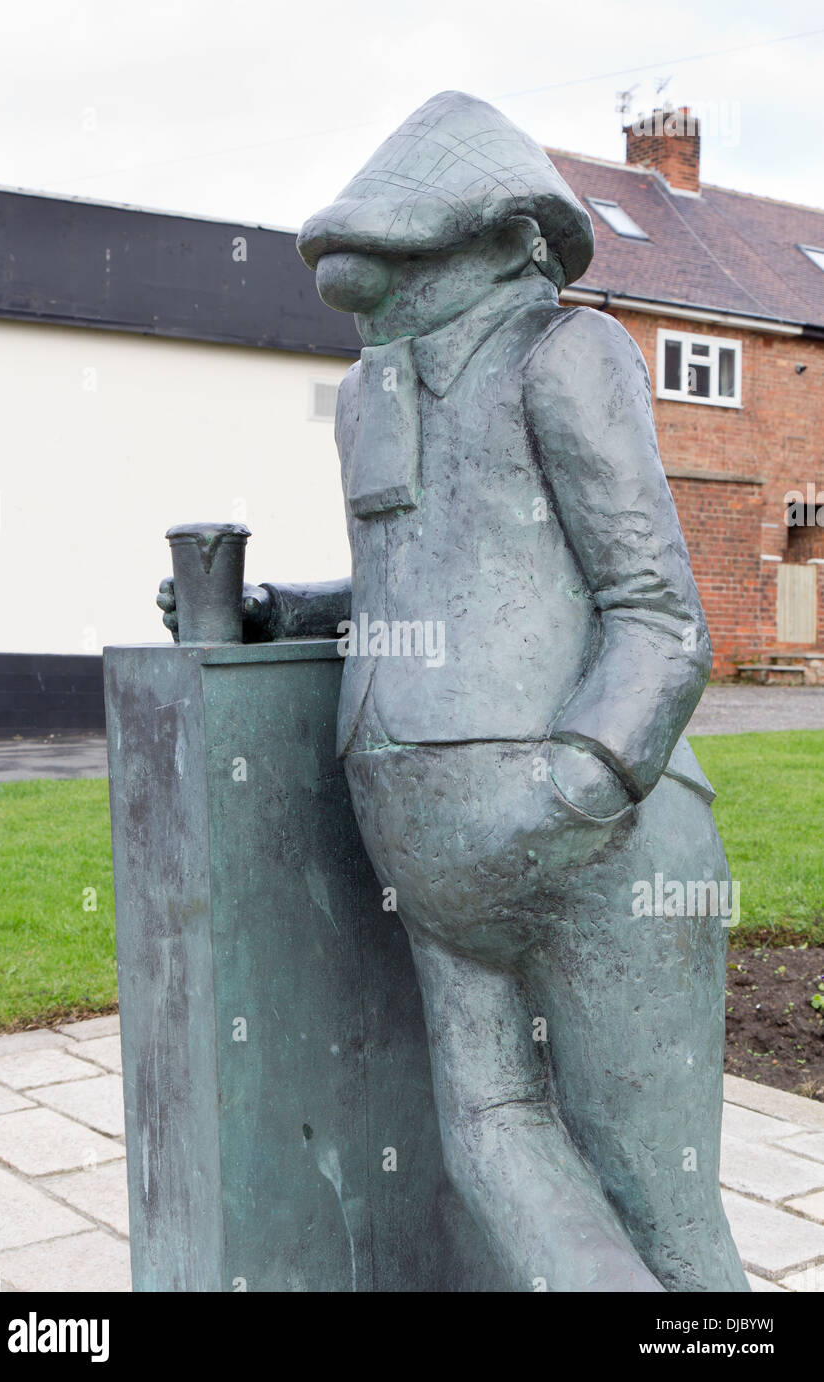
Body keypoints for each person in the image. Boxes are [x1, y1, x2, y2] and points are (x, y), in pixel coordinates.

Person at [159, 90, 747, 1292]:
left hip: (597, 850)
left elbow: (657, 614)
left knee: (658, 1193)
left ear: (504, 240)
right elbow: (414, 580)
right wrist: (285, 610)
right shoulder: (375, 390)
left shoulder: (564, 350)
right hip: (429, 859)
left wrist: (571, 790)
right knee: (491, 1146)